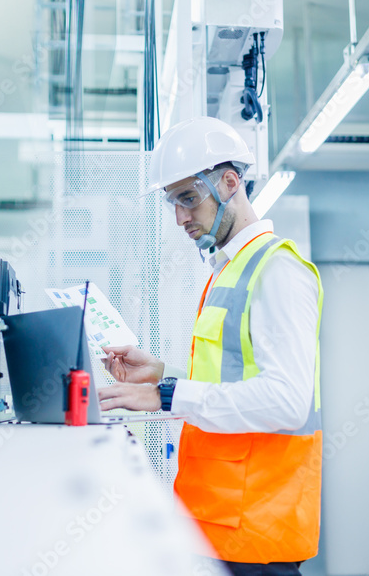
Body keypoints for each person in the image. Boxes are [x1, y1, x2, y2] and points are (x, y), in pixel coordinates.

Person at [97, 117, 322, 576]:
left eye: (187, 198)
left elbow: (287, 401)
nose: (180, 217)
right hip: (218, 527)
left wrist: (166, 395)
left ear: (229, 182)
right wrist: (161, 375)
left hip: (257, 534)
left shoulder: (277, 269)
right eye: (172, 202)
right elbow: (230, 381)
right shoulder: (227, 270)